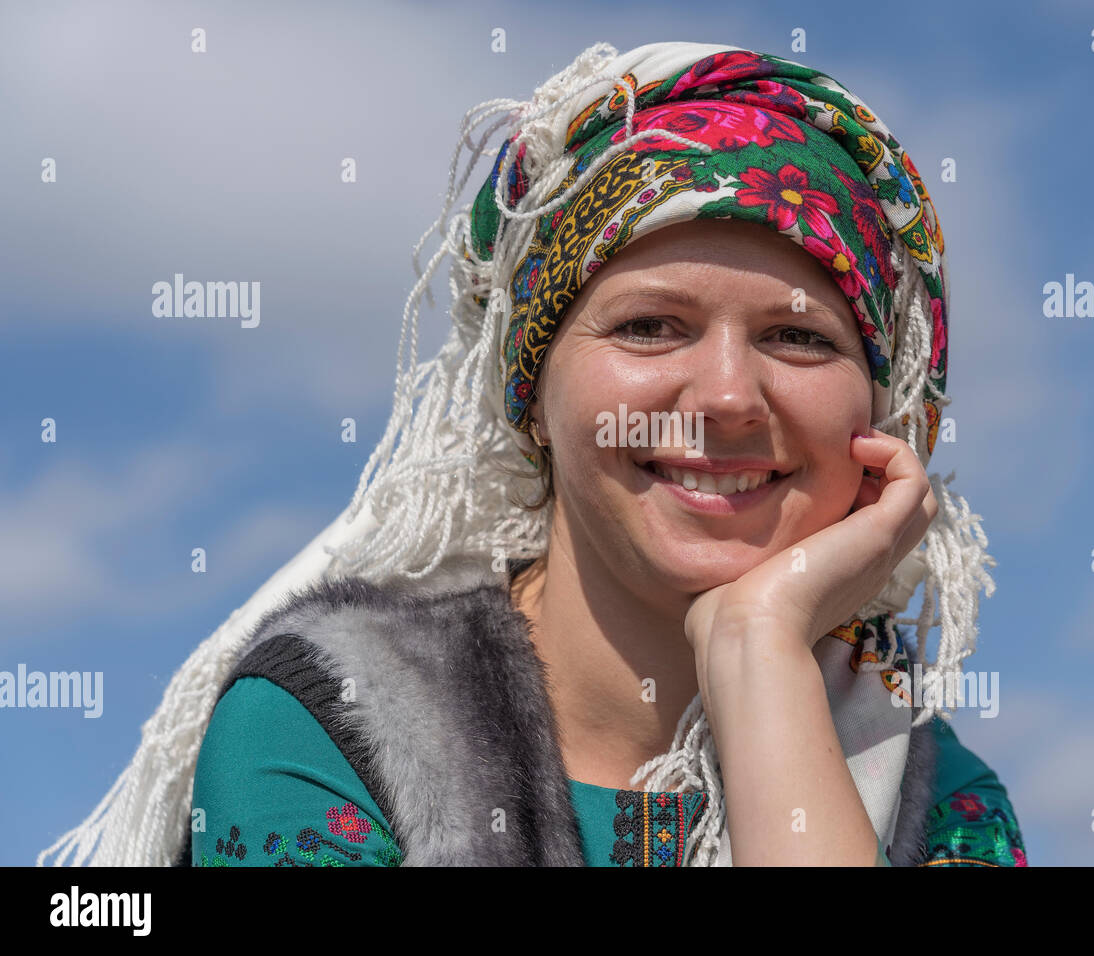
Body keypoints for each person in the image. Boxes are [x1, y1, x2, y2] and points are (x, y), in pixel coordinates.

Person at [39, 40, 1025, 868]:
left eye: (800, 337)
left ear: (882, 414)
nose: (728, 394)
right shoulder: (330, 724)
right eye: (649, 326)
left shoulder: (942, 803)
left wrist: (757, 653)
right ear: (530, 396)